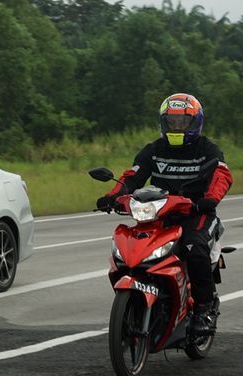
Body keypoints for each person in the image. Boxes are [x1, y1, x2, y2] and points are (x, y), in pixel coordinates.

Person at [96, 93, 233, 336]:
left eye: (183, 122)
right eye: (172, 121)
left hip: (196, 213)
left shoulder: (207, 149)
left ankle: (204, 308)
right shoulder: (154, 150)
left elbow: (221, 175)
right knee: (131, 247)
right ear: (163, 122)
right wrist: (113, 196)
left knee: (194, 247)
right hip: (160, 214)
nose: (177, 126)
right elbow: (133, 177)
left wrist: (208, 199)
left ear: (195, 123)